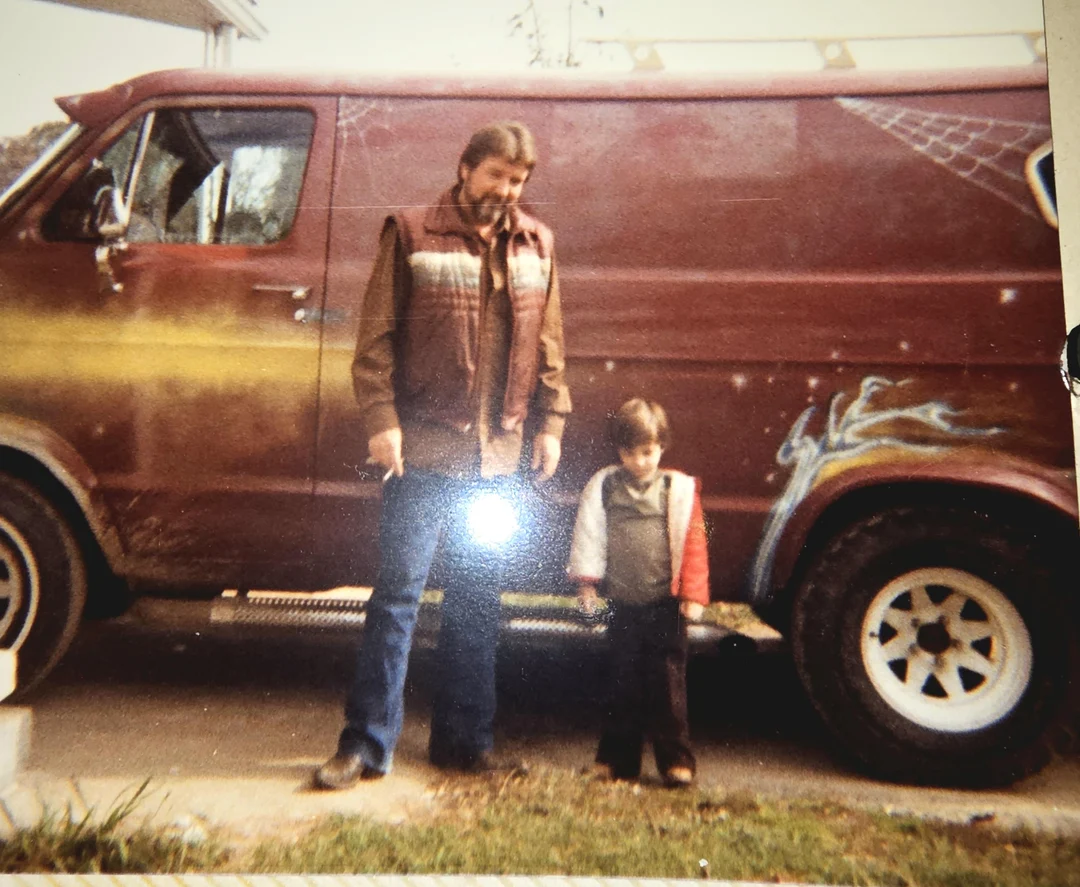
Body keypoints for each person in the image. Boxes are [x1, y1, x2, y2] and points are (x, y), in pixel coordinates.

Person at [315, 121, 571, 789]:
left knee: (478, 600)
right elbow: (375, 341)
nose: (505, 191)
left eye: (517, 182)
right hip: (423, 453)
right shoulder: (410, 232)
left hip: (496, 462)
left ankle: (464, 742)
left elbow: (549, 348)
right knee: (397, 597)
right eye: (496, 176)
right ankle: (365, 745)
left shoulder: (538, 245)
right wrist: (381, 420)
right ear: (466, 169)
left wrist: (551, 426)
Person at [567, 398, 709, 787]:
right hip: (622, 606)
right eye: (630, 452)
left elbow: (695, 542)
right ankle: (617, 759)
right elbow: (589, 534)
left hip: (665, 606)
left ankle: (676, 760)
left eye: (647, 452)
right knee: (621, 682)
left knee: (668, 687)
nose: (640, 461)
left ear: (662, 446)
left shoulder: (676, 489)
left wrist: (693, 594)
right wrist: (586, 584)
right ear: (619, 451)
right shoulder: (605, 485)